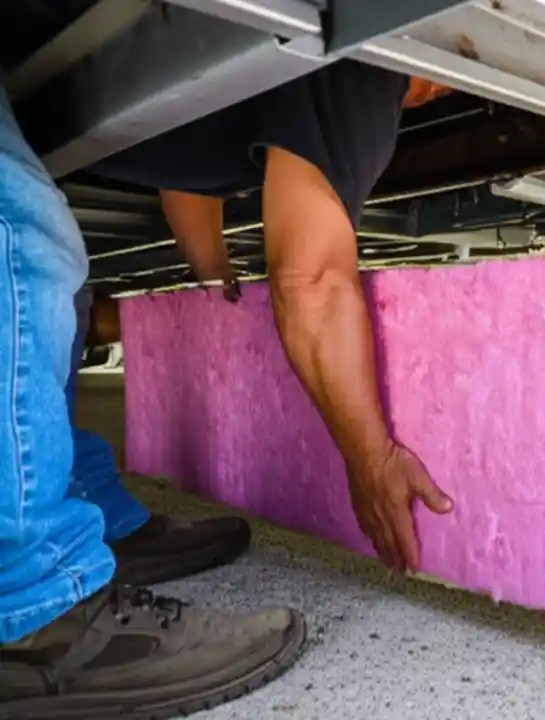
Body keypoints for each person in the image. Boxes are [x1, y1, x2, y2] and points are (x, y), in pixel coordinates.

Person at [1, 61, 451, 716]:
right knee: (21, 235)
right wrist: (371, 458)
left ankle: (83, 512)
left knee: (60, 287)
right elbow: (310, 280)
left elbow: (182, 179)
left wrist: (215, 278)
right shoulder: (369, 65)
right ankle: (31, 614)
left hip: (39, 61)